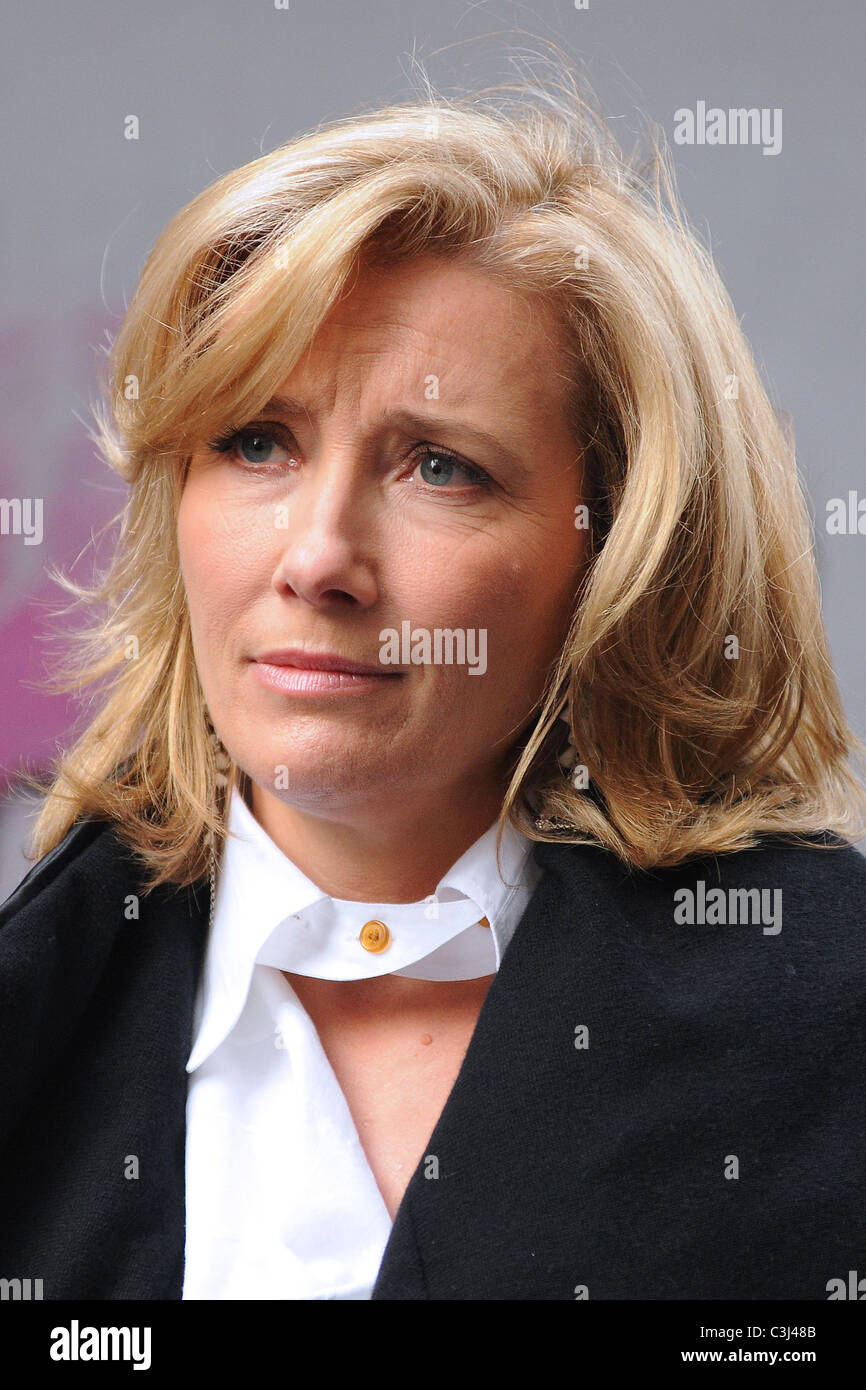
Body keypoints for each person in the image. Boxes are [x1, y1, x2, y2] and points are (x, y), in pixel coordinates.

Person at [2, 76, 865, 1302]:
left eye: (440, 467)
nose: (314, 558)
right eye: (255, 440)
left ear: (614, 550)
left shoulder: (827, 1027)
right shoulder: (39, 1013)